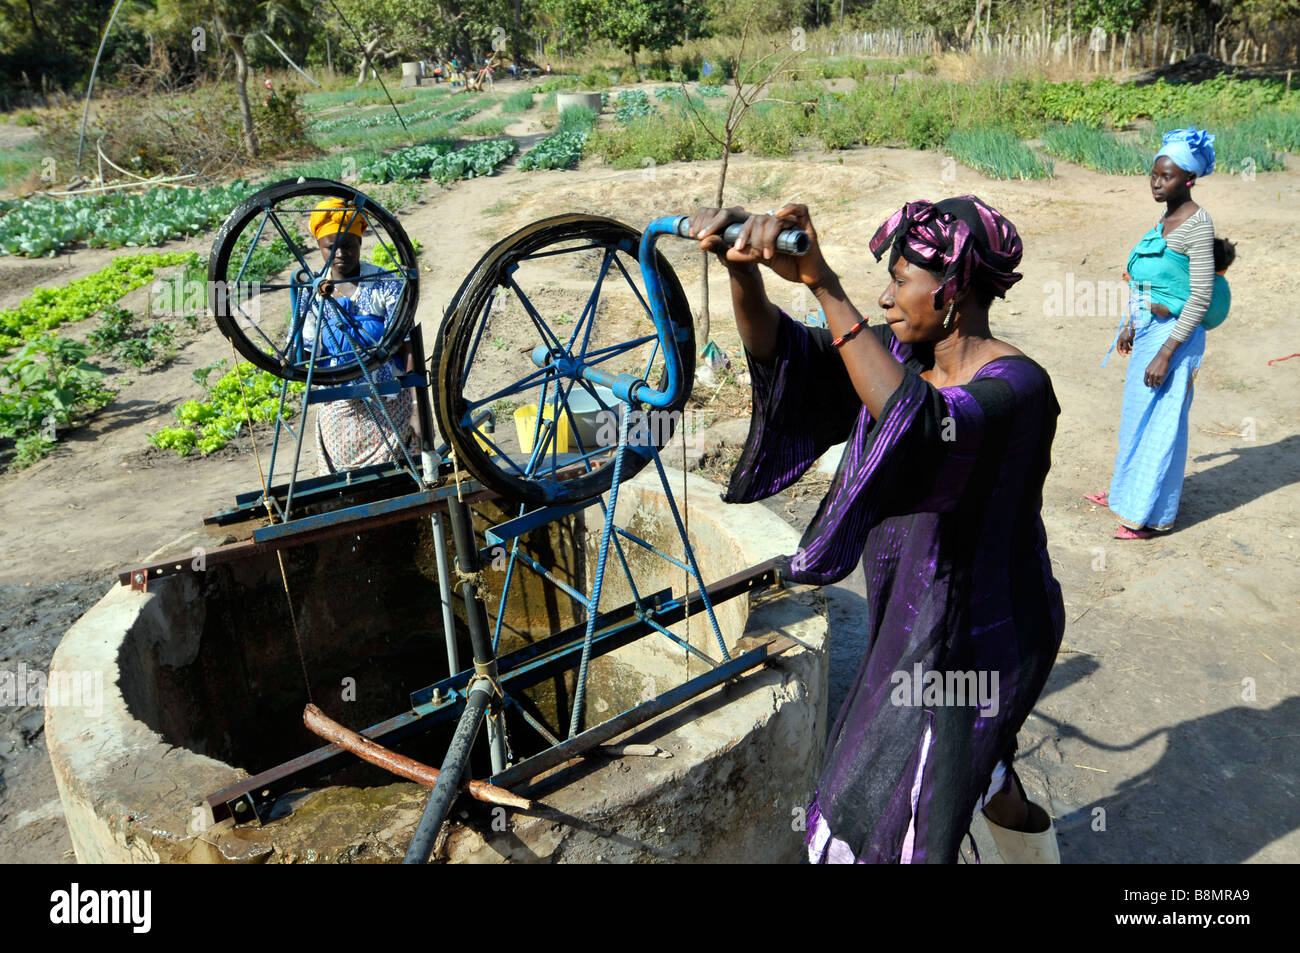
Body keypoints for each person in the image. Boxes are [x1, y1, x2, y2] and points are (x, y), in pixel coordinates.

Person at [691, 196, 1066, 864]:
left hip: (980, 637)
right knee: (972, 769)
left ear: (950, 292)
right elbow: (791, 357)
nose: (886, 299)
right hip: (913, 612)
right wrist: (743, 269)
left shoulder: (1019, 389)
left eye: (900, 282)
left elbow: (921, 427)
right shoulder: (902, 357)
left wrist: (825, 284)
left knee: (900, 811)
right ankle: (1026, 839)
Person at [1089, 128, 1217, 539]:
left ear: (1189, 180)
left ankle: (1146, 516)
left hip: (1175, 340)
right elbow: (1149, 281)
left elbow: (1200, 297)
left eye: (1167, 177)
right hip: (1147, 332)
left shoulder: (1197, 224)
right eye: (1154, 175)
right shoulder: (1165, 218)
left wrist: (1166, 351)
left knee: (1162, 423)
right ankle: (1126, 492)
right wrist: (1129, 325)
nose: (1157, 183)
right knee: (1135, 419)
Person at [302, 198, 414, 475]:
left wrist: (415, 407)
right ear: (319, 246)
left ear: (361, 240)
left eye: (348, 244)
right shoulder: (311, 293)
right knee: (347, 481)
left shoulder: (385, 284)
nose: (340, 253)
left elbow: (407, 345)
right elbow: (308, 353)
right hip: (340, 406)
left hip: (388, 402)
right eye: (331, 246)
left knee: (396, 477)